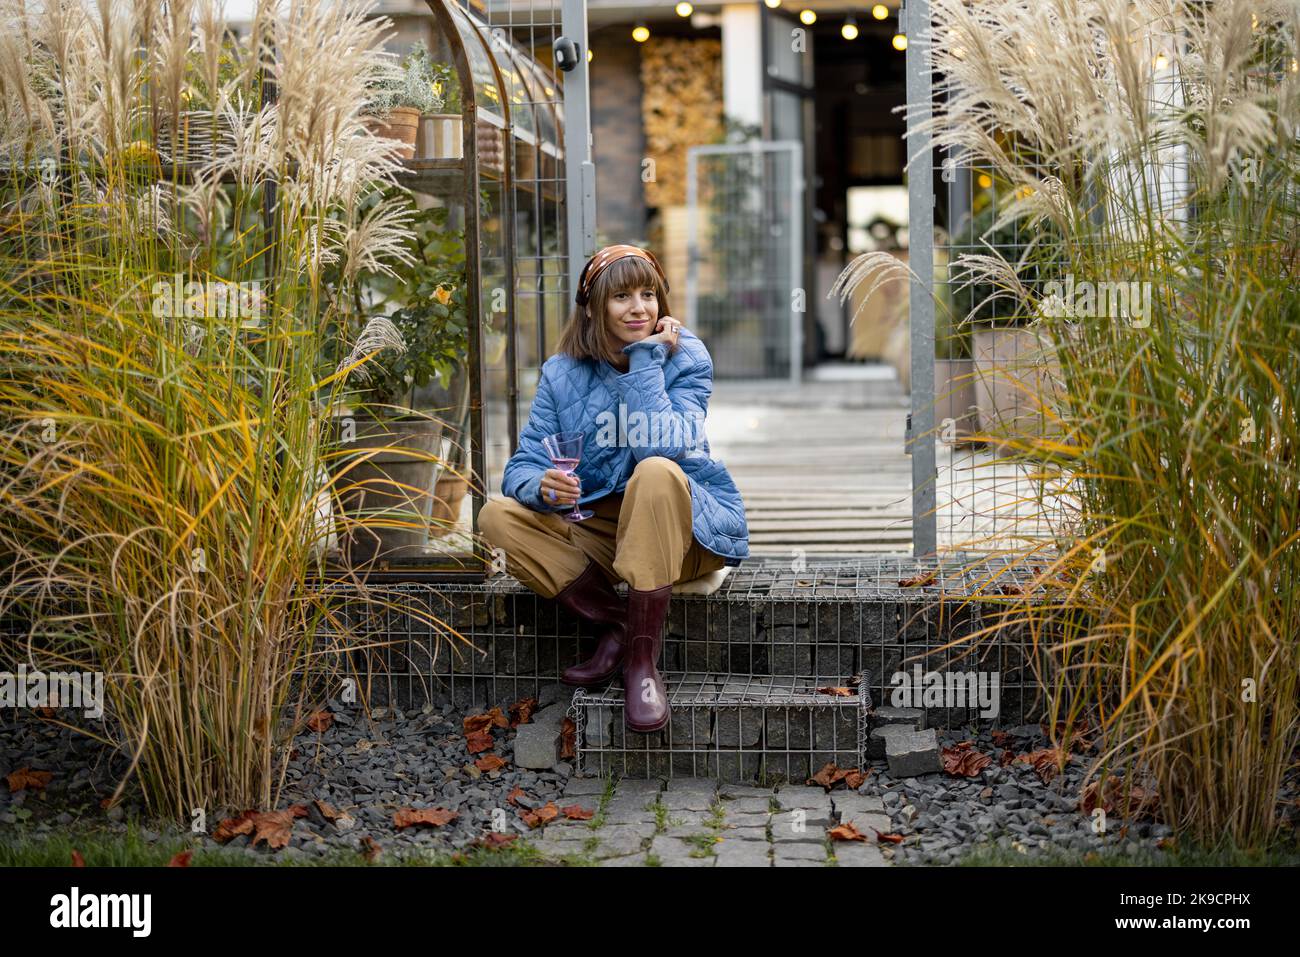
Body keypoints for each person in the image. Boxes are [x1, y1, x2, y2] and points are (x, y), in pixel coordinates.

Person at [478, 244, 749, 733]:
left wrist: (646, 361)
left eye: (649, 294)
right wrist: (541, 486)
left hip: (684, 532)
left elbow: (659, 448)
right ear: (594, 306)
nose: (639, 307)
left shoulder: (685, 358)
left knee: (656, 472)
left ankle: (641, 664)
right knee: (495, 517)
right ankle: (620, 622)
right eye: (622, 296)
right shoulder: (562, 373)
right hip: (605, 528)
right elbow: (521, 465)